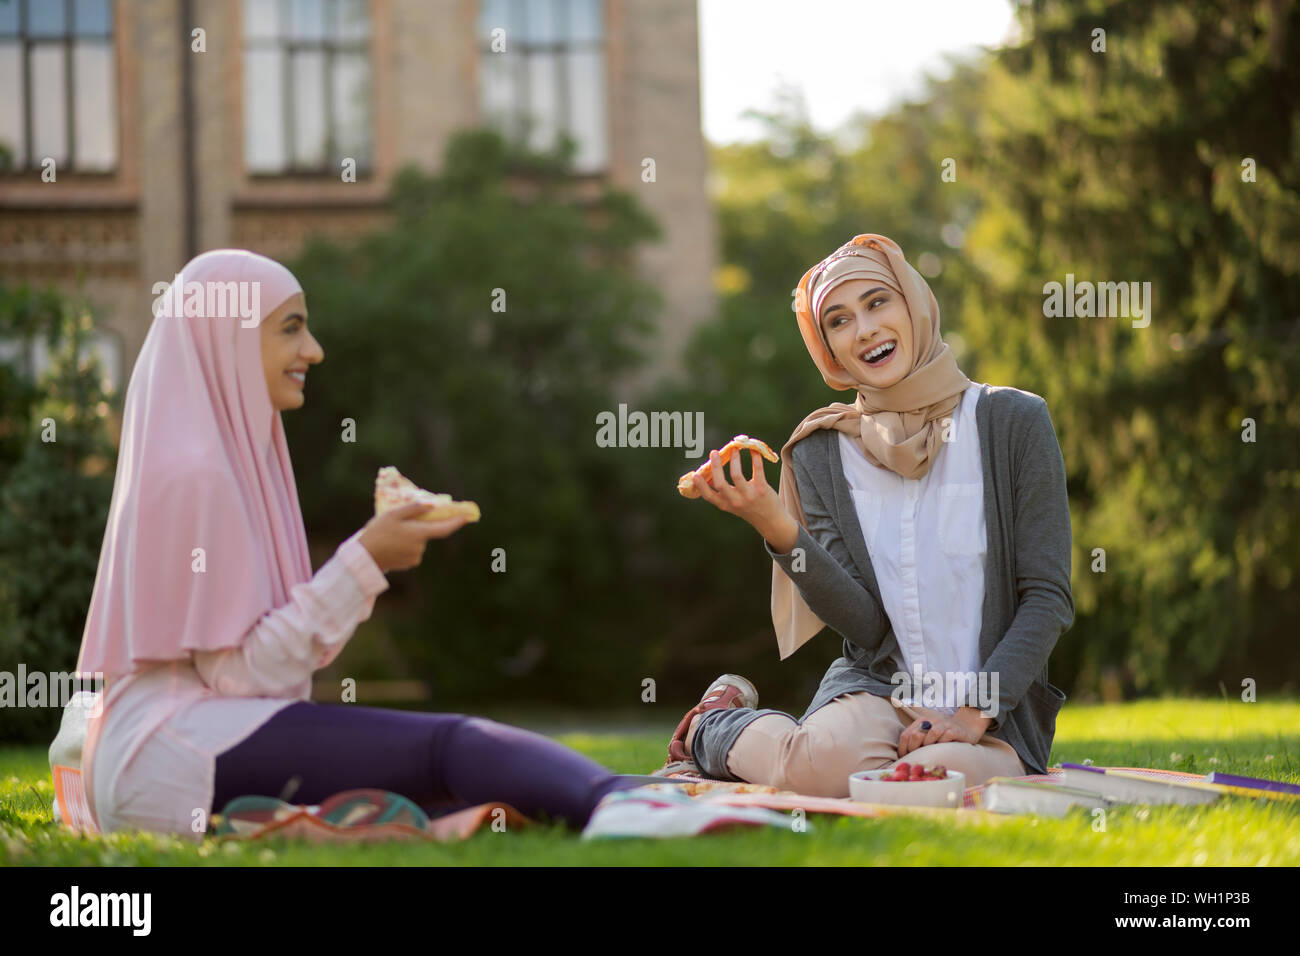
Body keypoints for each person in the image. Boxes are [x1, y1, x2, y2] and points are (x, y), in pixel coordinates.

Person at [74, 249, 640, 842]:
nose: (313, 350)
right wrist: (366, 560)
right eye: (290, 328)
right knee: (451, 747)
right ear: (228, 335)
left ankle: (623, 792)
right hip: (172, 752)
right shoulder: (199, 474)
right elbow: (242, 674)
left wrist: (368, 561)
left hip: (170, 750)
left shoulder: (216, 461)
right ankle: (632, 803)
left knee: (455, 781)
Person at [660, 233, 1073, 795]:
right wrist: (776, 526)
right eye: (838, 320)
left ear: (914, 304)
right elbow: (867, 626)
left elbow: (1047, 597)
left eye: (877, 302)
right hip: (880, 692)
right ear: (828, 347)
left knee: (926, 786)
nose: (865, 329)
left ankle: (827, 753)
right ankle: (713, 725)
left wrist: (971, 715)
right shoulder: (819, 453)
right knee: (815, 772)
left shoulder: (1013, 422)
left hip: (989, 719)